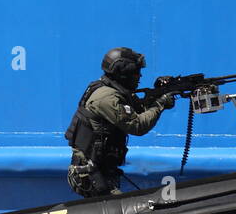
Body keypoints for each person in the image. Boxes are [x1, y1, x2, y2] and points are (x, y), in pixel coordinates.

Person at [65, 47, 175, 198]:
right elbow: (137, 126)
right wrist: (160, 104)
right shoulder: (107, 98)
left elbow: (137, 109)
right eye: (136, 72)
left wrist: (157, 96)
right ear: (123, 73)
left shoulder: (114, 91)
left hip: (102, 170)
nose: (140, 76)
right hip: (91, 173)